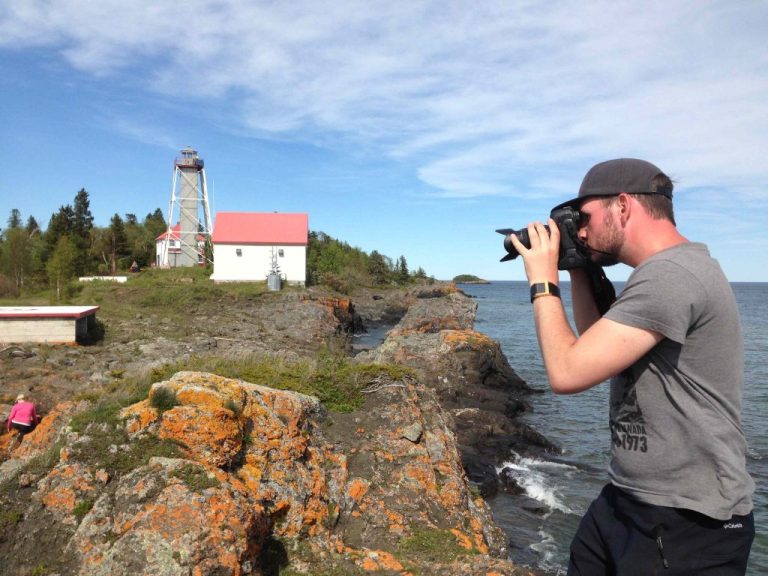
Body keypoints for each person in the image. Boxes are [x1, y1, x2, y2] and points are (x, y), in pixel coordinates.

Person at [509, 158, 754, 575]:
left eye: (584, 218)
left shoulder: (672, 276)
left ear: (622, 205)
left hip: (687, 521)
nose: (581, 230)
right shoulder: (658, 274)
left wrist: (543, 280)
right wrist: (579, 266)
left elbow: (566, 374)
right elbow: (592, 349)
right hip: (626, 501)